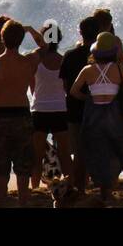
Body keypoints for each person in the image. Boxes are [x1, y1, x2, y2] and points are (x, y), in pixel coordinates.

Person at [68, 31, 123, 204]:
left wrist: (88, 99)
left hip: (94, 116)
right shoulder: (119, 69)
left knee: (97, 153)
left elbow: (74, 91)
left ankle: (103, 191)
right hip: (114, 115)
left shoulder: (88, 70)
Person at [0, 20, 39, 206]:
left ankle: (1, 202)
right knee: (22, 166)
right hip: (22, 115)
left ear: (2, 38)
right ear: (21, 40)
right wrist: (29, 30)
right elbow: (46, 48)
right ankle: (23, 202)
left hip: (1, 115)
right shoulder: (29, 62)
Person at [28, 21, 71, 191]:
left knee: (37, 155)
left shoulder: (36, 59)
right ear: (58, 39)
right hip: (60, 109)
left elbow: (31, 85)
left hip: (40, 110)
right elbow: (67, 87)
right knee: (65, 154)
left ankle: (35, 188)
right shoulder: (63, 60)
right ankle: (70, 186)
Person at [59, 15, 100, 193]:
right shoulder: (102, 57)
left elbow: (65, 87)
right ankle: (97, 184)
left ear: (80, 33)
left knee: (78, 152)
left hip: (75, 109)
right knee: (97, 149)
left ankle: (80, 187)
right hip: (98, 109)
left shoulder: (70, 55)